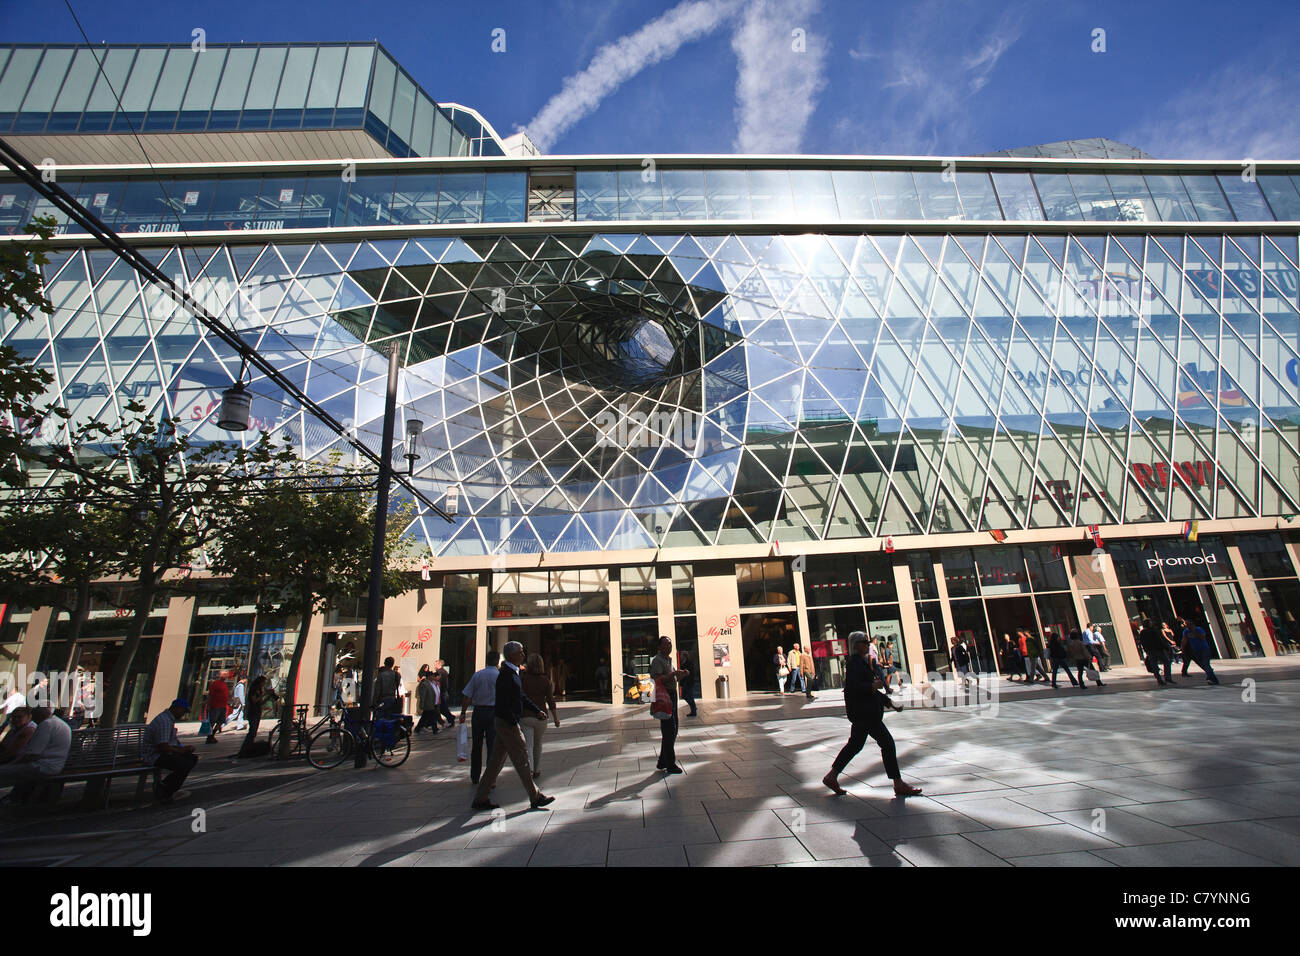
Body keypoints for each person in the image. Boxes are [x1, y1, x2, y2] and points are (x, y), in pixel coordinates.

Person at [823, 634, 922, 798]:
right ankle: (898, 783)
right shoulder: (855, 664)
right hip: (866, 714)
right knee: (887, 744)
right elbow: (854, 688)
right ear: (856, 645)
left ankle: (831, 776)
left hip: (864, 713)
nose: (868, 644)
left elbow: (870, 690)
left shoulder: (861, 662)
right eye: (864, 642)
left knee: (855, 745)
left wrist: (887, 701)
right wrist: (872, 686)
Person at [471, 642, 555, 811]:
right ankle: (535, 795)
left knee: (496, 762)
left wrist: (536, 710)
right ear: (511, 655)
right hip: (507, 723)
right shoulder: (506, 675)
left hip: (505, 722)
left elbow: (520, 696)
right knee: (522, 759)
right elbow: (503, 703)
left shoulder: (513, 673)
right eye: (520, 652)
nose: (523, 655)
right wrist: (513, 723)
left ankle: (481, 797)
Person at [0, 706, 72, 801]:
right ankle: (16, 797)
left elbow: (32, 755)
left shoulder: (46, 725)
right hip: (54, 765)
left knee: (4, 771)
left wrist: (11, 764)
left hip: (43, 767)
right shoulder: (58, 723)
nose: (33, 718)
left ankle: (15, 799)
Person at [143, 699, 197, 804]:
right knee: (184, 764)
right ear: (176, 708)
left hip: (162, 753)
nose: (184, 714)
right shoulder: (164, 721)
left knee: (191, 759)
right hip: (154, 756)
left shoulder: (168, 719)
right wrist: (180, 751)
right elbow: (163, 747)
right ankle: (166, 789)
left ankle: (167, 786)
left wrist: (182, 749)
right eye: (184, 711)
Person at [459, 651, 500, 786]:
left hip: (478, 712)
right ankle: (490, 777)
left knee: (477, 745)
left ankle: (475, 775)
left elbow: (467, 695)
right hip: (493, 712)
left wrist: (463, 712)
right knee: (492, 746)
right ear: (497, 661)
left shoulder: (478, 675)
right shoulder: (499, 676)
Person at [650, 636, 689, 774]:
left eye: (670, 644)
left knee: (672, 729)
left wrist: (681, 674)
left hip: (672, 695)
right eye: (666, 644)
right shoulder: (657, 660)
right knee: (669, 730)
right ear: (659, 647)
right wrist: (673, 673)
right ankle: (670, 763)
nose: (669, 646)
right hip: (664, 697)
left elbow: (673, 678)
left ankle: (662, 761)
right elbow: (657, 679)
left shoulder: (669, 660)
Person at [521, 653, 560, 779]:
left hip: (526, 715)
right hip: (541, 716)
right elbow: (550, 700)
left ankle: (530, 769)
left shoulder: (523, 679)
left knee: (529, 744)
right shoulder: (545, 680)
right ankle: (536, 769)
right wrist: (555, 718)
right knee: (538, 744)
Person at [240, 674, 277, 757]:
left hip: (257, 711)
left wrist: (268, 697)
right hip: (253, 712)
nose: (264, 684)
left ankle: (248, 748)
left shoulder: (259, 690)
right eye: (264, 682)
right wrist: (264, 694)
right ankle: (245, 749)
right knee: (252, 732)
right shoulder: (254, 690)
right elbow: (254, 700)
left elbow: (260, 702)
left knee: (254, 732)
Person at [1179, 619, 1220, 685]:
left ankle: (1210, 678)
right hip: (1196, 650)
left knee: (1206, 664)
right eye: (1186, 625)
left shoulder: (1198, 629)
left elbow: (1203, 637)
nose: (1187, 626)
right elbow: (1184, 640)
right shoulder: (1186, 631)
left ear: (1192, 624)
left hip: (1204, 649)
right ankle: (1212, 678)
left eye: (1189, 624)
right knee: (1204, 665)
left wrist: (1194, 631)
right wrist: (1183, 649)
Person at [1137, 618, 1174, 686]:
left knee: (1154, 665)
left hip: (1150, 651)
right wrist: (1165, 647)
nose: (1152, 623)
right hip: (1158, 649)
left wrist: (1146, 650)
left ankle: (1159, 680)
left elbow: (1142, 642)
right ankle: (1167, 677)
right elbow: (1159, 640)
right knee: (1166, 662)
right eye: (1150, 622)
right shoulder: (1153, 631)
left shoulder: (1143, 632)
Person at [204, 673, 229, 744]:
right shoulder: (215, 684)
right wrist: (208, 705)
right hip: (215, 705)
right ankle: (209, 736)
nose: (225, 676)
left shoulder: (225, 684)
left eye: (226, 675)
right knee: (213, 721)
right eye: (224, 674)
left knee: (221, 721)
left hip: (223, 705)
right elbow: (210, 695)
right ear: (220, 675)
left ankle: (212, 735)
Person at [679, 651, 699, 715]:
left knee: (689, 696)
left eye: (681, 655)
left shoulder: (689, 663)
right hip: (685, 682)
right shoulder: (683, 663)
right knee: (684, 696)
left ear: (684, 656)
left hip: (688, 682)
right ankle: (693, 707)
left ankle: (693, 710)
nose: (680, 656)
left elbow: (690, 673)